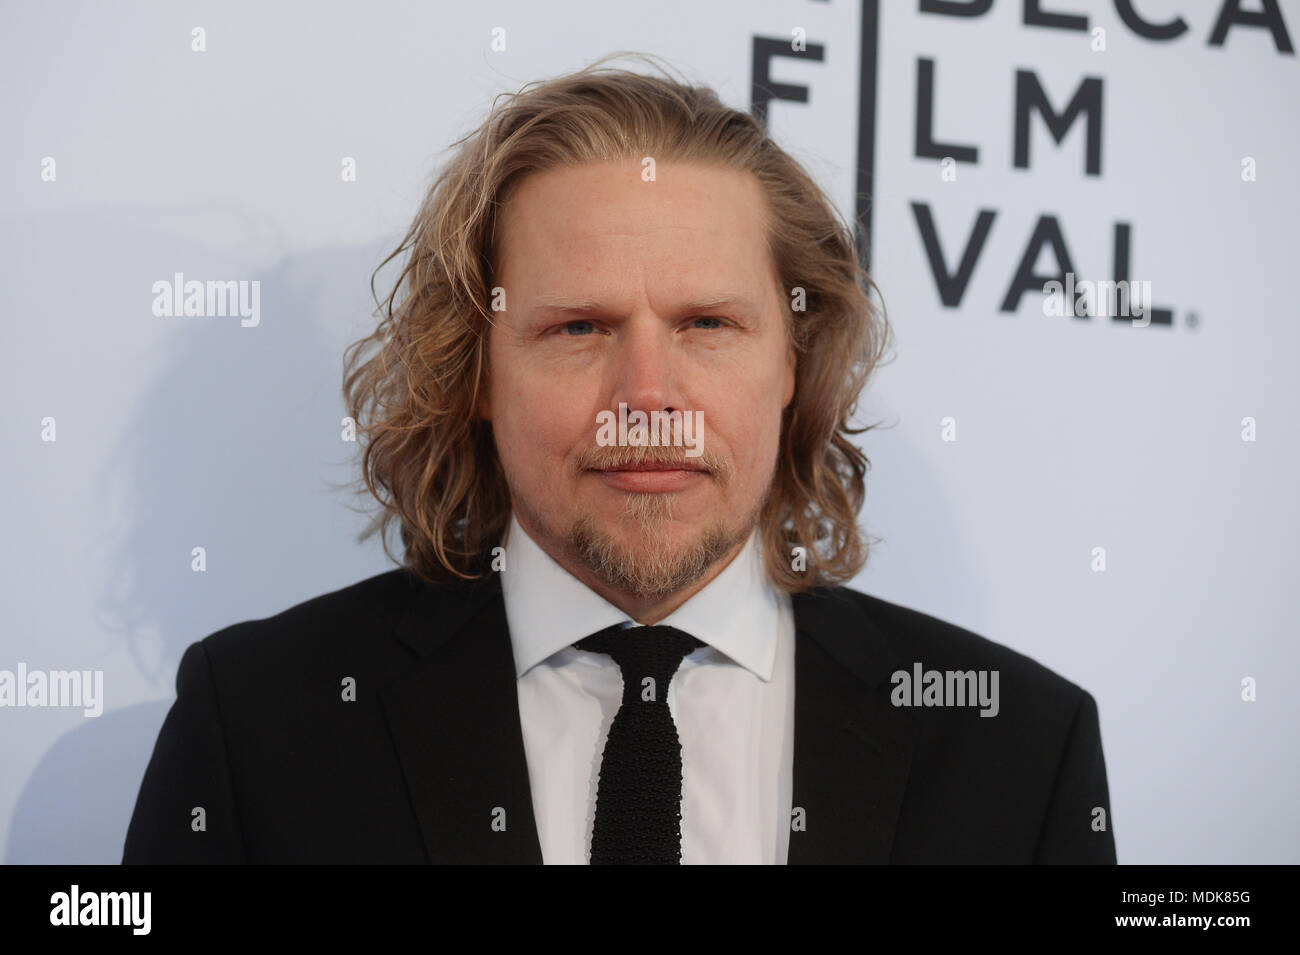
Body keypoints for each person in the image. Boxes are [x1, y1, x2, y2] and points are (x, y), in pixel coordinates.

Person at [122, 56, 1116, 864]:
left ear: (792, 363)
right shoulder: (259, 722)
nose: (647, 396)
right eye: (580, 327)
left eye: (708, 323)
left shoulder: (1016, 745)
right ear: (475, 371)